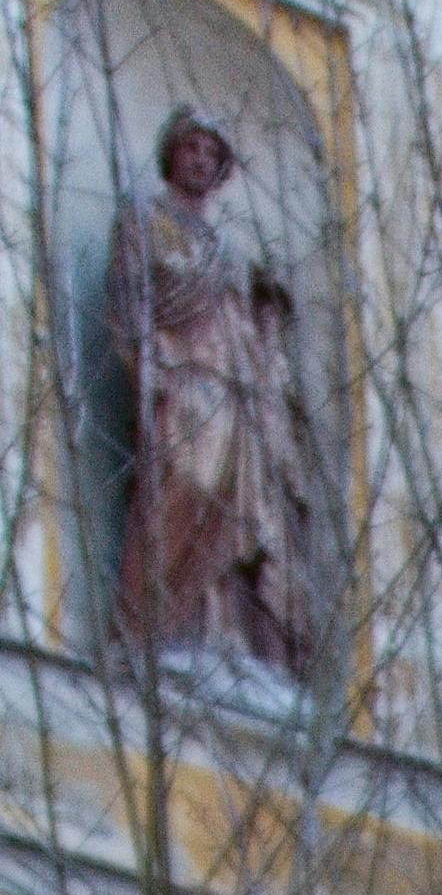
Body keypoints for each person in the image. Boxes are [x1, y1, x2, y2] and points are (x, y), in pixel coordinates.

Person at [107, 106, 321, 679]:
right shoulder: (143, 220)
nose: (201, 160)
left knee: (236, 514)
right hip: (181, 383)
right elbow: (130, 300)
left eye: (212, 153)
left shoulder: (227, 251)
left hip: (234, 392)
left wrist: (265, 313)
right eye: (192, 148)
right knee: (182, 484)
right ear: (172, 152)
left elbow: (244, 330)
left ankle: (217, 630)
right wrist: (147, 364)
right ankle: (147, 627)